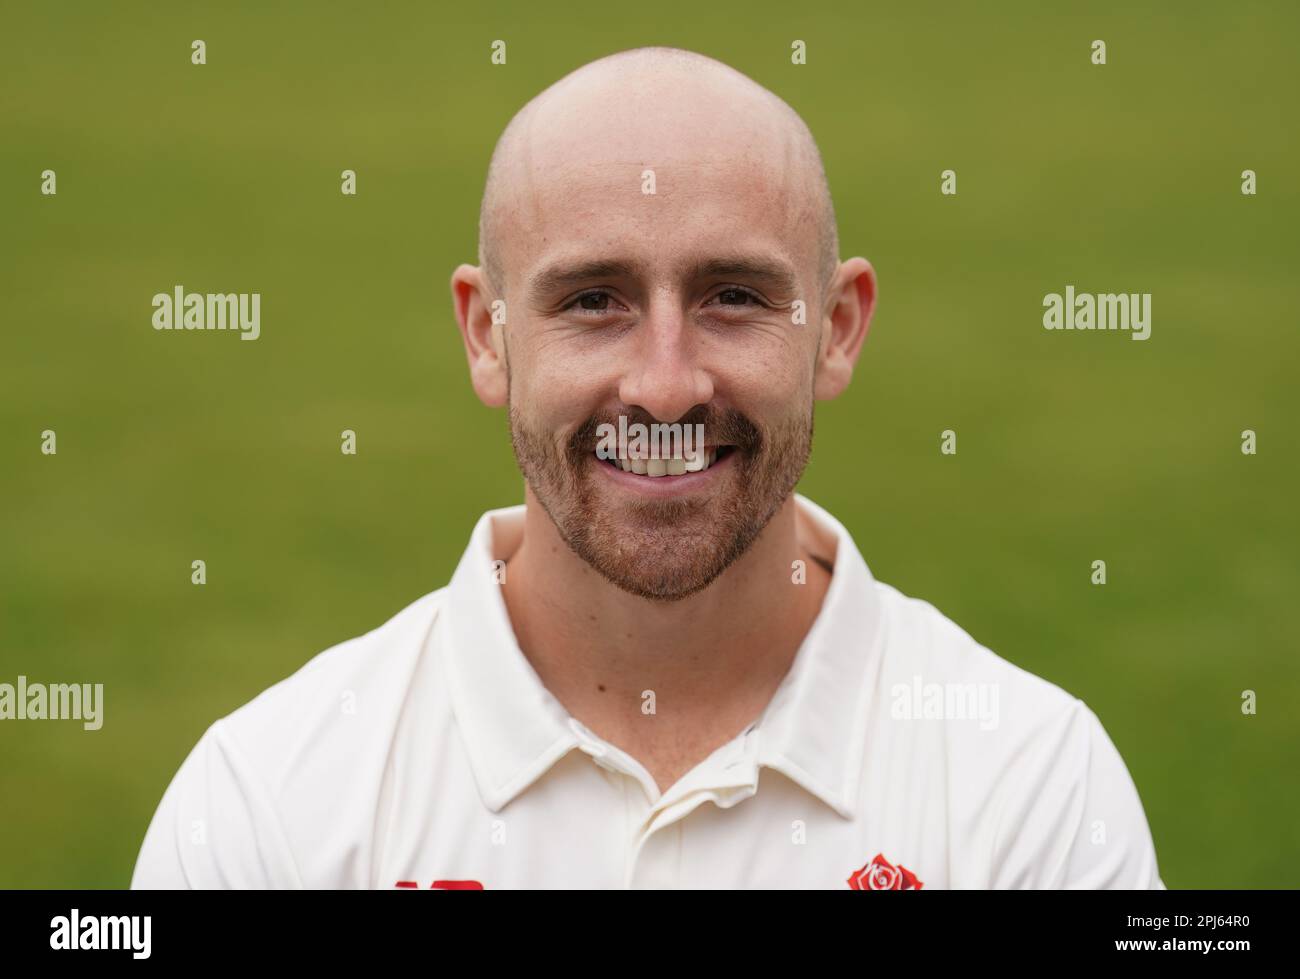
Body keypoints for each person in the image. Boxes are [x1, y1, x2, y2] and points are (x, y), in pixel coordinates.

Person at [132, 46, 1163, 889]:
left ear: (837, 328)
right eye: (593, 300)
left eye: (733, 296)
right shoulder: (266, 805)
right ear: (486, 336)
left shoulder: (1034, 788)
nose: (665, 387)